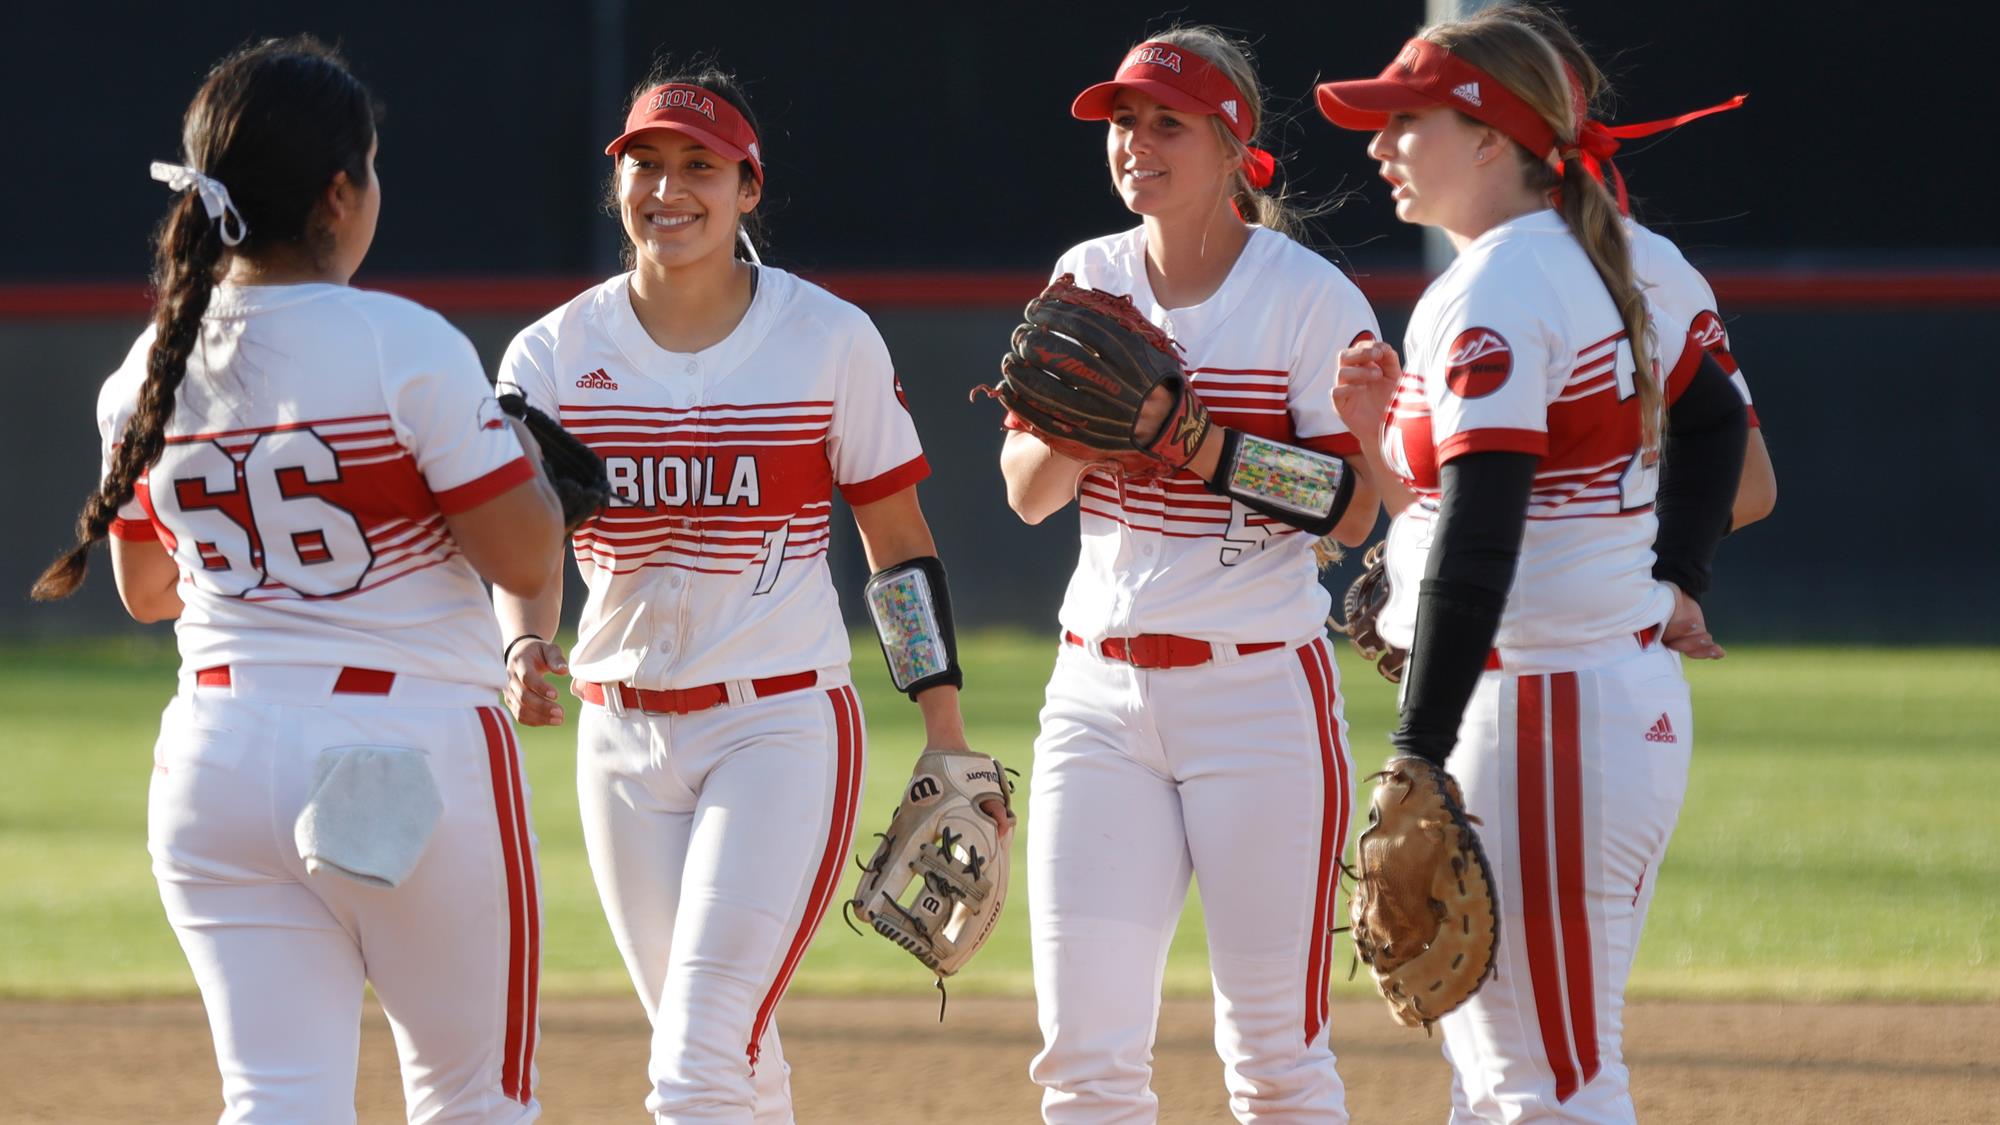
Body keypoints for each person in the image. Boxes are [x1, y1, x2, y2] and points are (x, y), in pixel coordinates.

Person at [29, 36, 565, 1122]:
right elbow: (523, 556)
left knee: (277, 1101)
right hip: (403, 752)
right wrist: (534, 481)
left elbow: (147, 591)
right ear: (339, 191)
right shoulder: (396, 343)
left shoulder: (145, 369)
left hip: (216, 757)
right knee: (474, 1101)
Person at [490, 62, 1006, 1124]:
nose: (668, 190)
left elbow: (896, 546)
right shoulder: (551, 354)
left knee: (693, 1060)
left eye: (699, 166)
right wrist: (522, 643)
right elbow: (524, 545)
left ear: (748, 187)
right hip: (618, 740)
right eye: (644, 164)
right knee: (732, 1053)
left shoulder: (824, 339)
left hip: (776, 729)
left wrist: (943, 728)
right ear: (616, 181)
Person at [1315, 5, 1748, 1120]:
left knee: (1543, 1087)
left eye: (1402, 121)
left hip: (1541, 714)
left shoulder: (1500, 286)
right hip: (1584, 698)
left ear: (1488, 138)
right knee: (1500, 1078)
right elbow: (1712, 432)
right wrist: (1678, 575)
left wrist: (1411, 748)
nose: (1376, 148)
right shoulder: (1636, 261)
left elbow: (1483, 530)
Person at [1001, 26, 1381, 1124]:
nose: (1135, 142)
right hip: (1096, 702)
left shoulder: (1306, 298)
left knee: (1272, 1059)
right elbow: (1026, 491)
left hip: (1257, 697)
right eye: (1121, 122)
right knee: (1082, 1062)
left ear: (1231, 142)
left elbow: (1352, 508)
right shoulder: (1088, 274)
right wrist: (1086, 421)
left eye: (1164, 121)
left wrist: (1198, 443)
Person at [1499, 3, 1775, 532]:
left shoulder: (1641, 262)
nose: (1384, 142)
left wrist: (1611, 571)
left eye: (1419, 114)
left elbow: (1750, 486)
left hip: (1595, 612)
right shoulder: (1473, 272)